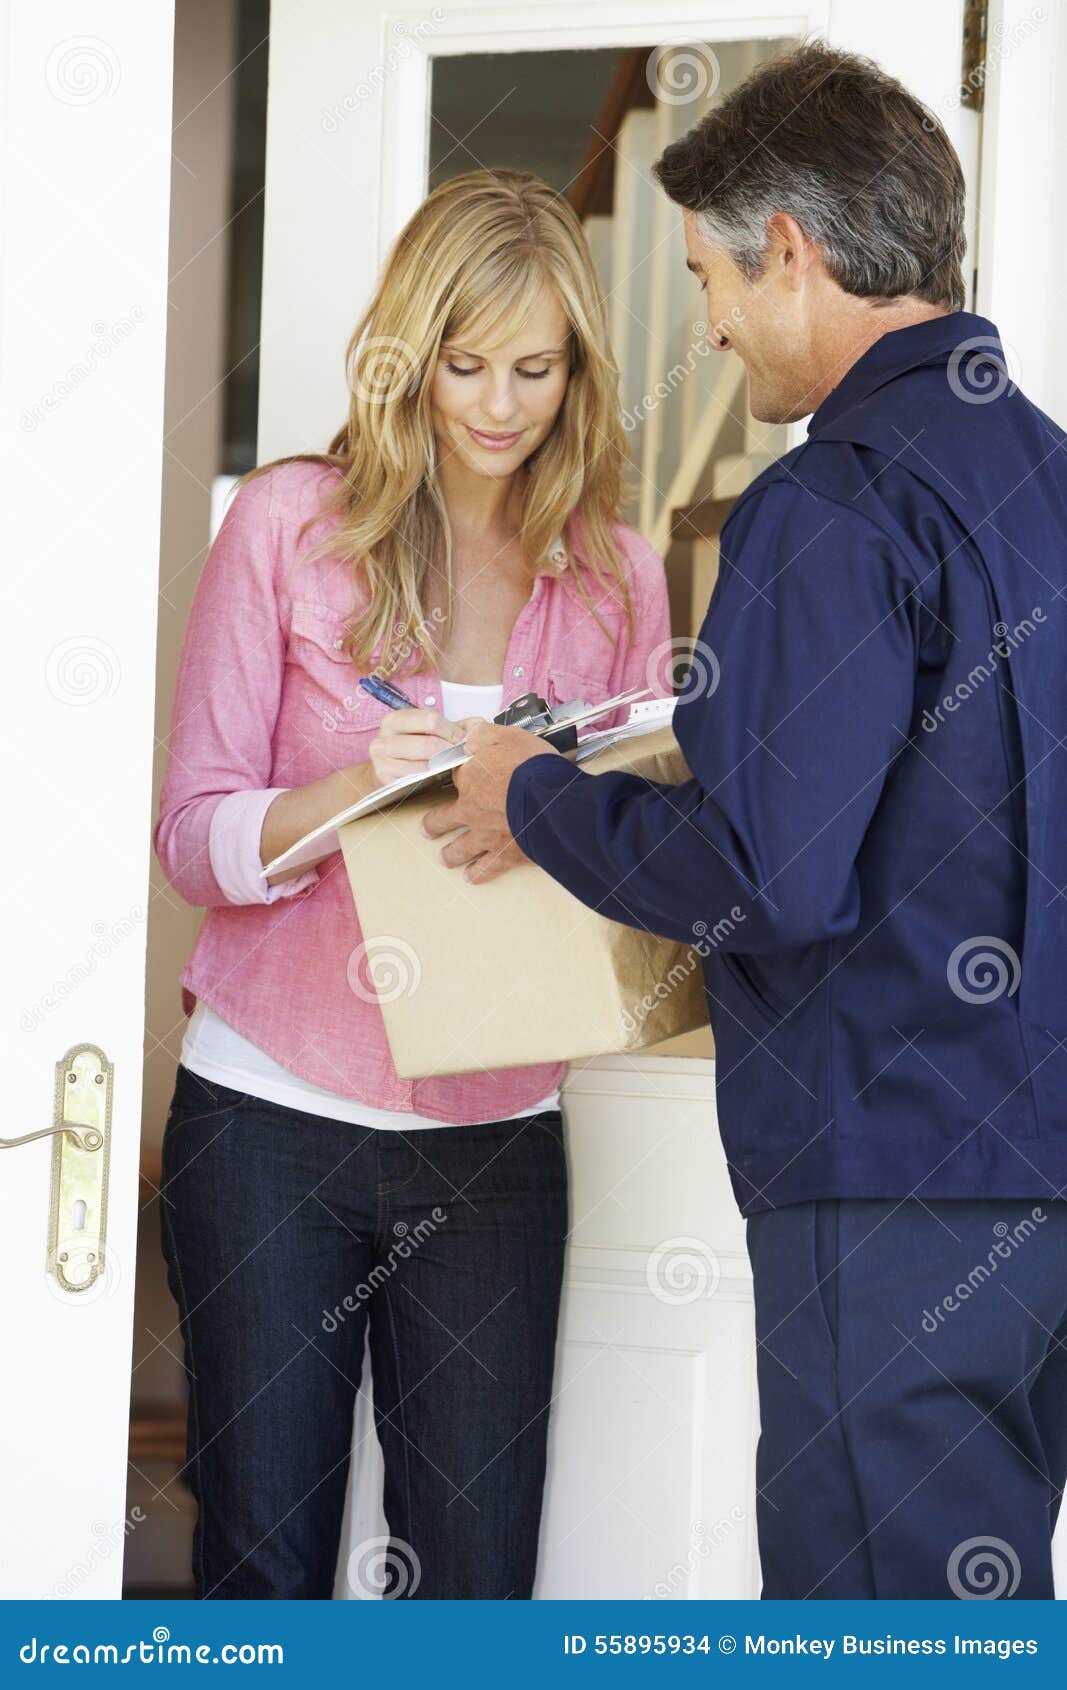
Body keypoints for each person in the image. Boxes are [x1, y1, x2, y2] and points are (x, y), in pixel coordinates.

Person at [427, 45, 1067, 1600]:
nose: (706, 323)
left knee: (873, 1628)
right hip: (1038, 1189)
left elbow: (768, 877)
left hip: (894, 1189)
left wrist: (536, 795)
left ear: (790, 252)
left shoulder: (831, 500)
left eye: (708, 279)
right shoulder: (1051, 479)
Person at [152, 167, 671, 1599]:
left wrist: (558, 820)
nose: (498, 406)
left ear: (578, 375)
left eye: (535, 370)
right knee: (264, 1567)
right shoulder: (288, 527)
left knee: (480, 1579)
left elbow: (645, 847)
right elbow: (190, 835)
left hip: (498, 1137)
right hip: (269, 1120)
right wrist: (347, 799)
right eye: (464, 365)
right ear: (408, 356)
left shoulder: (618, 579)